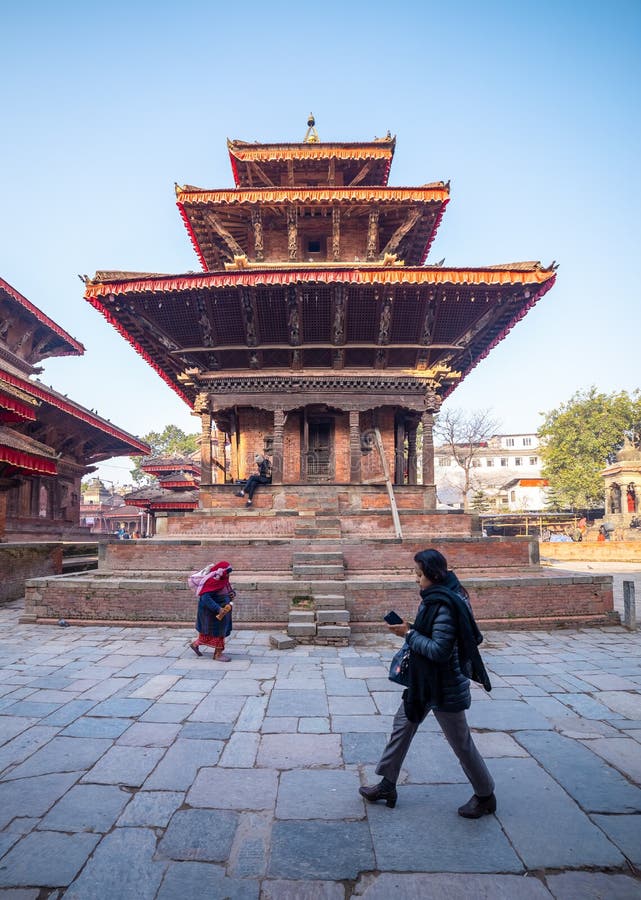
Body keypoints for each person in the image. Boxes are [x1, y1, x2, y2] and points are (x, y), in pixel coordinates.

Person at [359, 548, 496, 819]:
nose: (416, 579)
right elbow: (432, 634)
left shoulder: (446, 604)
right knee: (402, 727)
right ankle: (387, 784)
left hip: (444, 684)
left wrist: (408, 633)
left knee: (461, 743)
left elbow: (438, 650)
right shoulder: (439, 597)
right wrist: (411, 627)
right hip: (423, 681)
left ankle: (485, 795)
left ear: (433, 575)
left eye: (420, 575)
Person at [189, 560, 236, 662]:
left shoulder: (224, 579)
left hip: (223, 610)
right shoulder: (213, 581)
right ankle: (218, 654)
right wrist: (218, 609)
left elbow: (227, 589)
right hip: (212, 613)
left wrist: (232, 593)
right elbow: (205, 598)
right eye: (227, 573)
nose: (228, 575)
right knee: (220, 633)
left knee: (209, 633)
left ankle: (195, 644)